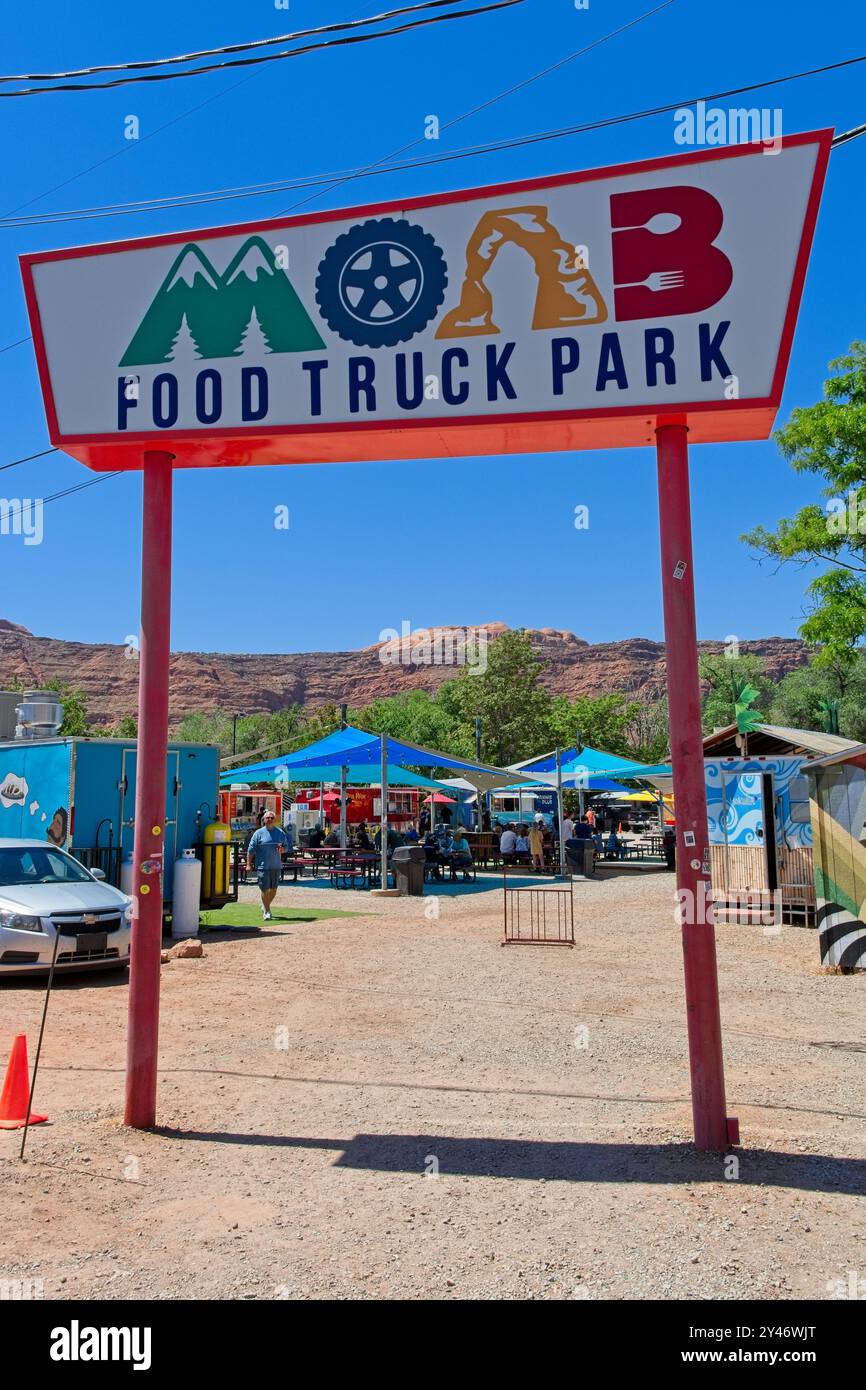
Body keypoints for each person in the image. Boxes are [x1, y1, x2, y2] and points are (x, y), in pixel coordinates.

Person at [246, 809, 289, 921]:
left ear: (275, 820)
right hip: (262, 866)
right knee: (265, 889)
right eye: (267, 818)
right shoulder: (258, 834)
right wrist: (248, 864)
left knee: (274, 889)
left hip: (276, 865)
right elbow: (251, 850)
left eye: (272, 818)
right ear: (264, 820)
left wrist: (282, 849)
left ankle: (265, 905)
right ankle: (267, 911)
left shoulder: (280, 833)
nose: (269, 819)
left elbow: (286, 848)